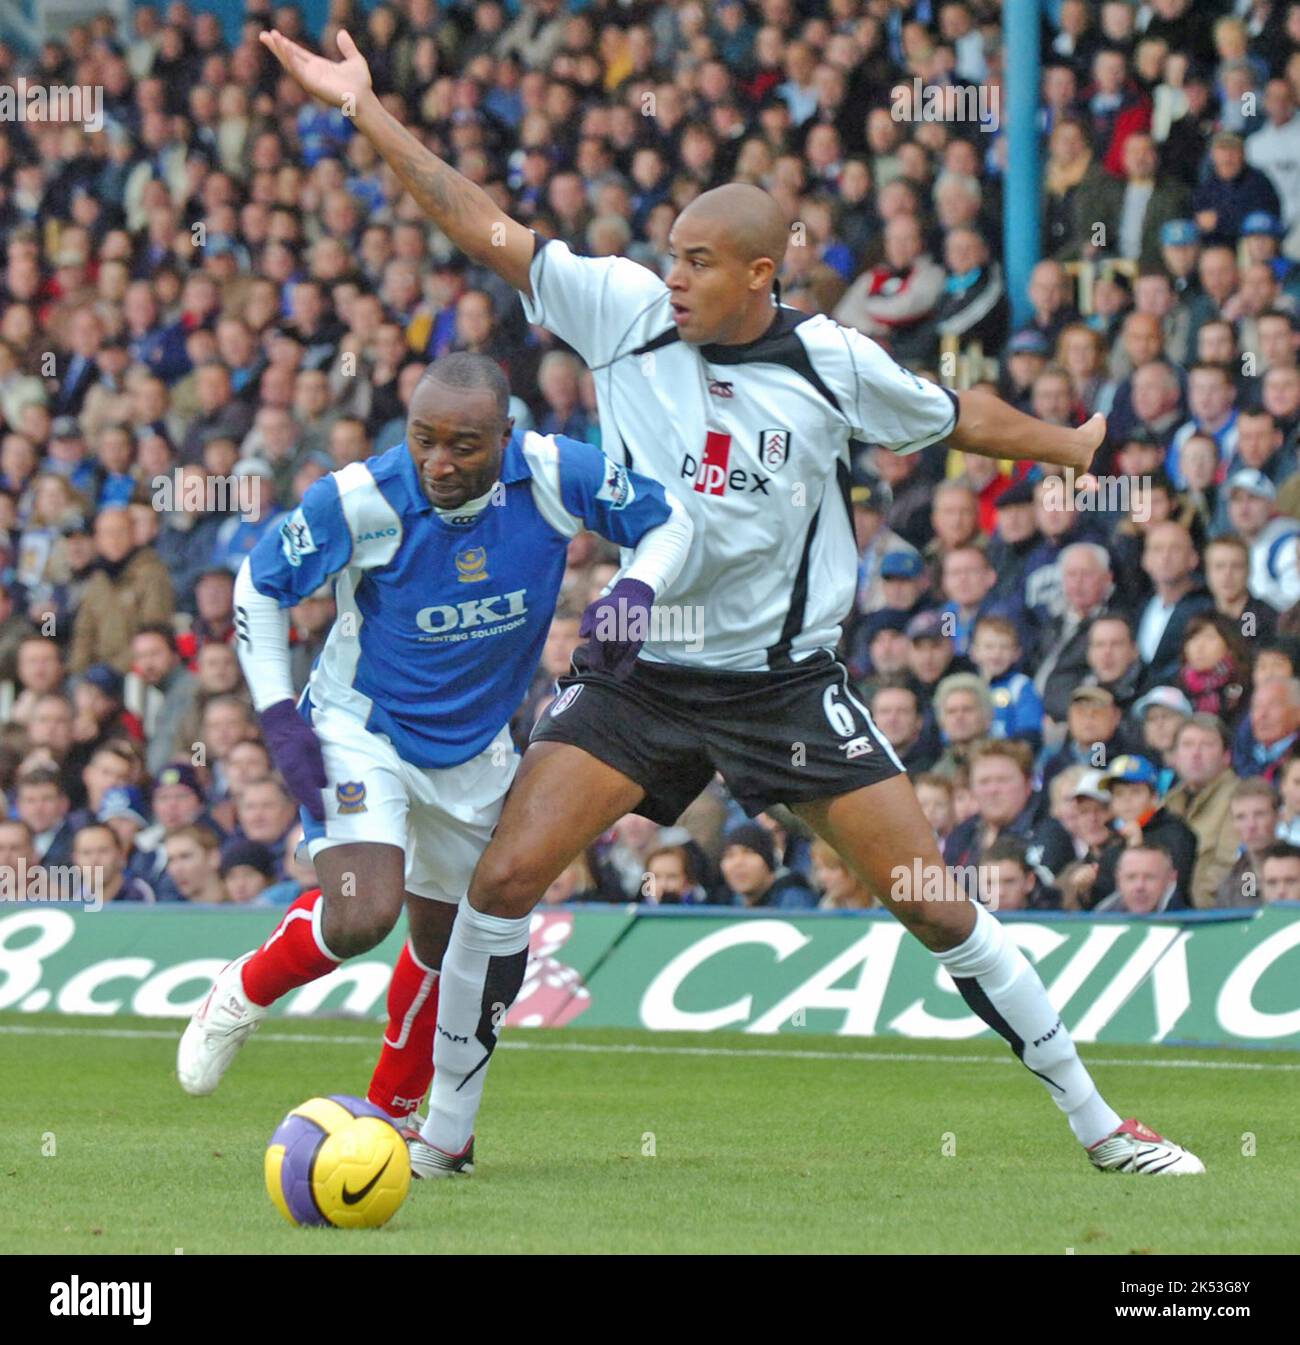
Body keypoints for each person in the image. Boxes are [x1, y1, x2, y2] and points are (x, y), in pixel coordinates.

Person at [254, 26, 1203, 1179]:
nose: (674, 276)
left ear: (762, 273)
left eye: (699, 260)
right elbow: (475, 220)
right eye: (670, 253)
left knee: (932, 902)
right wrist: (363, 107)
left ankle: (1104, 1127)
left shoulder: (835, 365)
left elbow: (961, 416)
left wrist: (1069, 445)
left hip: (783, 687)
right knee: (500, 878)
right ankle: (442, 1134)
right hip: (640, 678)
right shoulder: (616, 309)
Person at [175, 352, 694, 1139]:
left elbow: (668, 520)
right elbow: (260, 581)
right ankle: (242, 989)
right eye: (423, 440)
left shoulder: (556, 472)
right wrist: (279, 712)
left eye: (463, 445)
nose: (438, 463)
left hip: (477, 748)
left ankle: (390, 1114)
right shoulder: (361, 498)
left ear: (506, 437)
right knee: (360, 913)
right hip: (363, 727)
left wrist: (632, 591)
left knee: (445, 939)